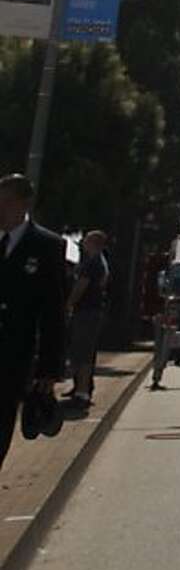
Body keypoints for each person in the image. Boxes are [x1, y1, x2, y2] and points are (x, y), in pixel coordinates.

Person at [0, 175, 66, 469]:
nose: (1, 208)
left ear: (25, 204)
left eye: (7, 202)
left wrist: (49, 369)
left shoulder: (46, 245)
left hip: (13, 358)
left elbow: (53, 312)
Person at [65, 230, 109, 407]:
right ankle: (81, 387)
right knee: (81, 350)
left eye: (87, 240)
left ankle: (82, 392)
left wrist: (69, 303)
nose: (83, 242)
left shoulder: (93, 263)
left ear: (94, 243)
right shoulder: (101, 262)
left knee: (82, 351)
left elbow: (82, 285)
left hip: (86, 311)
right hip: (91, 310)